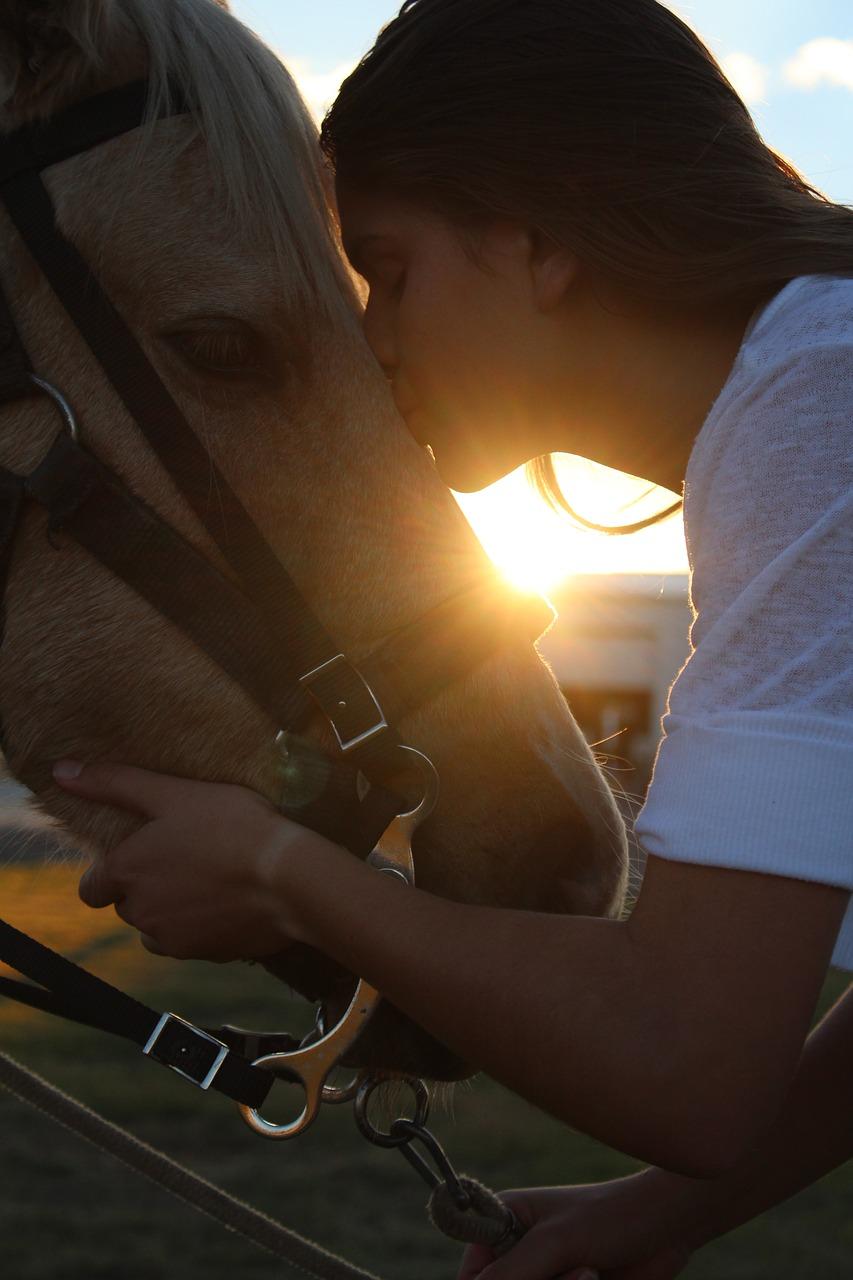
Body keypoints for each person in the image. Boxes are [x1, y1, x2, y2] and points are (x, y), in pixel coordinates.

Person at [51, 1, 853, 1276]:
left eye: (389, 268)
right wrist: (654, 1217)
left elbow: (687, 1066)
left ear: (535, 237)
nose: (369, 344)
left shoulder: (818, 416)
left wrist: (286, 871)